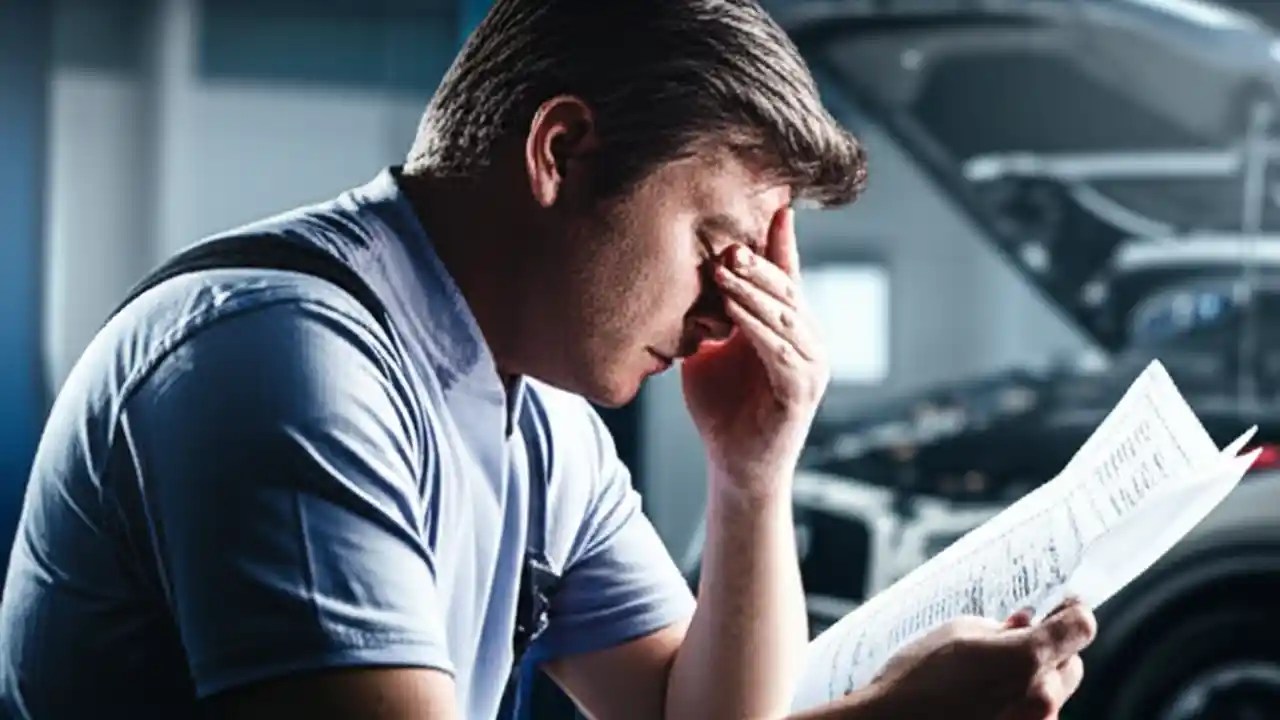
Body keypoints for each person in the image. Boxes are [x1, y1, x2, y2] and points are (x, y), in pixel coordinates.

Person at [0, 0, 1097, 718]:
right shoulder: (282, 364)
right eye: (719, 246)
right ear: (558, 154)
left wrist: (750, 471)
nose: (731, 310)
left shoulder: (540, 418)